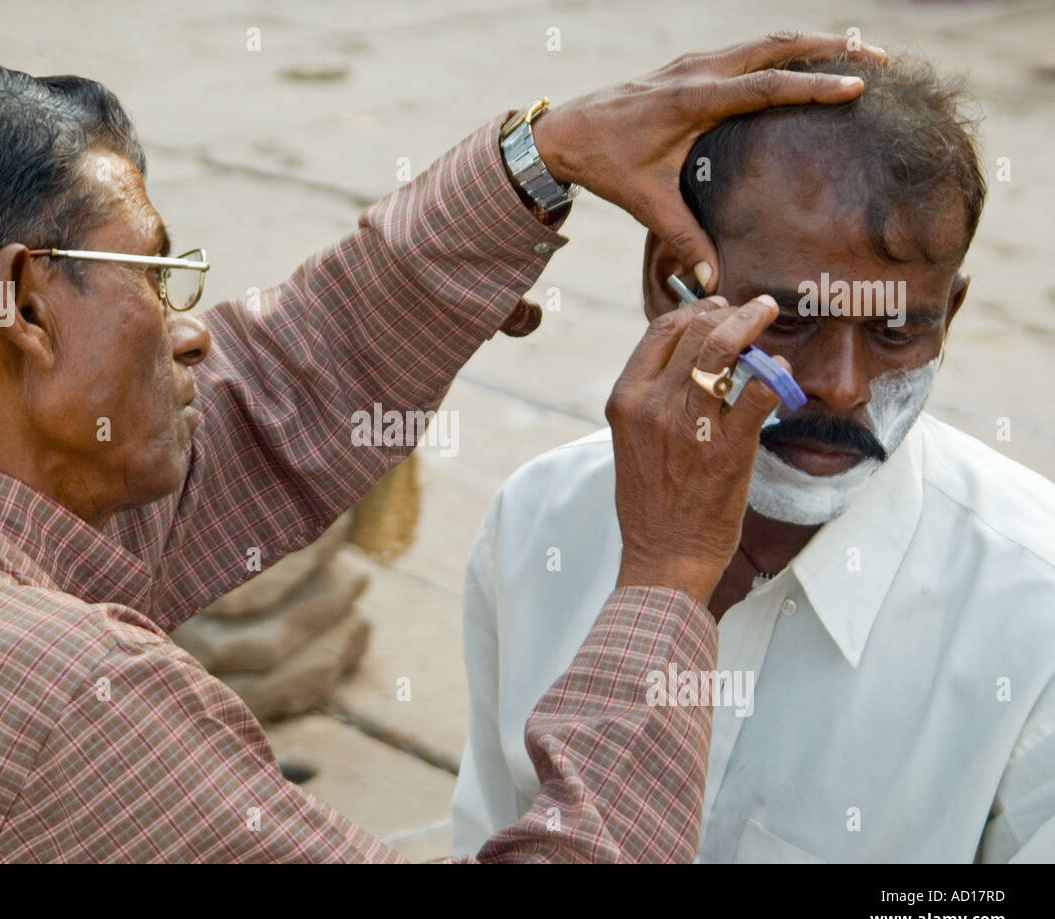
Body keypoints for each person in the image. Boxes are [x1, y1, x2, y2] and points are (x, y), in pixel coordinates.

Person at [0, 33, 882, 863]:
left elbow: (277, 391)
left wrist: (533, 164)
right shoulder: (75, 698)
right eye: (159, 275)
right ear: (27, 308)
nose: (189, 327)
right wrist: (669, 573)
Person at [451, 53, 1055, 863]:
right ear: (675, 285)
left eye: (896, 331)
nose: (840, 389)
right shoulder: (539, 521)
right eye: (789, 321)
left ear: (951, 313)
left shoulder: (1032, 605)